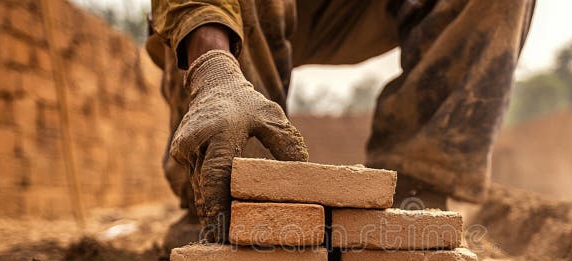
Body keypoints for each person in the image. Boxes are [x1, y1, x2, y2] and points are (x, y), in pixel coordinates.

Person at [146, 0, 535, 247]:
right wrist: (214, 71)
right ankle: (229, 211)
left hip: (357, 10)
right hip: (243, 11)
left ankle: (416, 200)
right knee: (236, 194)